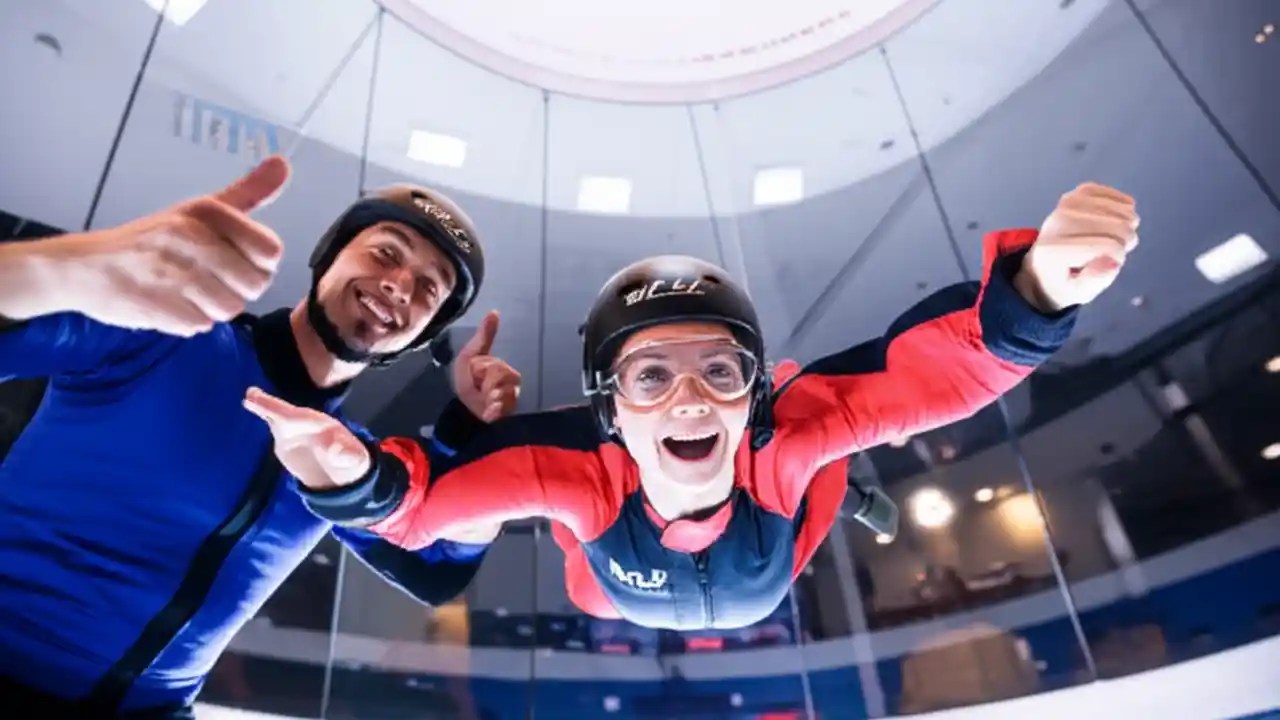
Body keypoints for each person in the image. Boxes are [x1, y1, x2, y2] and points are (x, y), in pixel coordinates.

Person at [247, 183, 1140, 631]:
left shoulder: (780, 434)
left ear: (749, 392)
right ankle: (845, 486)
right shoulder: (580, 477)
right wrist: (353, 482)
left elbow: (927, 384)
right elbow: (427, 505)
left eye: (719, 371)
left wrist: (1034, 294)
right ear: (609, 409)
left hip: (774, 528)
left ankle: (850, 487)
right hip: (624, 585)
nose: (687, 403)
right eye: (649, 379)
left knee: (824, 445)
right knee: (805, 454)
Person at [0, 156, 520, 716]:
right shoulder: (168, 333)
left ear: (422, 335)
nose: (399, 286)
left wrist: (469, 437)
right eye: (386, 252)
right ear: (327, 257)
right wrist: (74, 268)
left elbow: (438, 568)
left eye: (428, 290)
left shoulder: (341, 459)